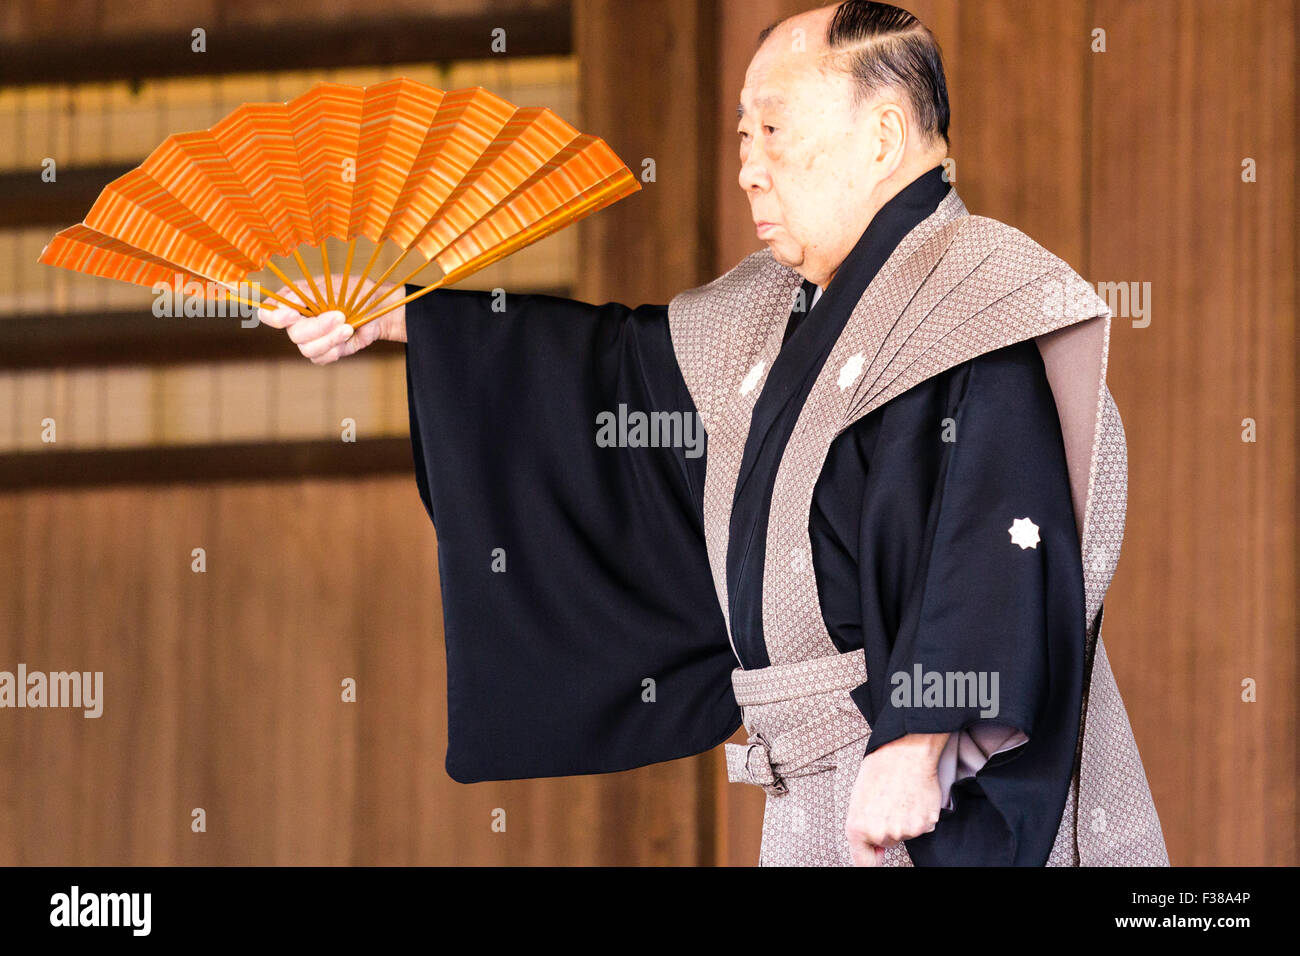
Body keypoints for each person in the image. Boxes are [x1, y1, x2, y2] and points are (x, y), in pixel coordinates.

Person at [258, 0, 1168, 866]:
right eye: (743, 135)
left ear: (884, 137)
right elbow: (610, 373)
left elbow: (1004, 527)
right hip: (812, 786)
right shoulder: (772, 312)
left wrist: (924, 734)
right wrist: (400, 318)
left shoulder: (979, 293)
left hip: (920, 785)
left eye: (772, 130)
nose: (747, 167)